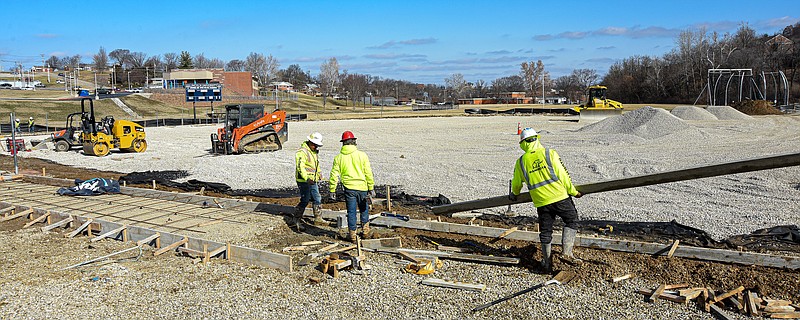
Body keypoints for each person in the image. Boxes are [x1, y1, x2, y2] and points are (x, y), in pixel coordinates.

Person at [510, 127, 583, 272]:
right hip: (560, 197)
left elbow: (517, 183)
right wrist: (573, 191)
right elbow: (563, 174)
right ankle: (567, 253)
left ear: (523, 143)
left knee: (545, 231)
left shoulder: (521, 162)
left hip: (542, 202)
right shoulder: (549, 154)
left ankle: (547, 263)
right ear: (537, 139)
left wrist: (514, 194)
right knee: (572, 220)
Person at [328, 130, 375, 242]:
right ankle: (366, 231)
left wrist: (332, 189)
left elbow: (334, 174)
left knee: (351, 211)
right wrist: (371, 187)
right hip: (362, 187)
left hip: (349, 189)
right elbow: (368, 172)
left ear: (343, 143)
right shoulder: (362, 155)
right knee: (364, 209)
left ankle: (353, 235)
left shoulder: (339, 158)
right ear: (354, 142)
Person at [293, 132, 324, 231]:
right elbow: (300, 167)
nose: (315, 146)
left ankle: (318, 218)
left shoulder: (313, 152)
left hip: (312, 180)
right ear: (310, 142)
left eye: (317, 145)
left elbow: (315, 165)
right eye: (314, 144)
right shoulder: (302, 152)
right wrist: (306, 178)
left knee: (317, 198)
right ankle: (296, 219)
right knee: (305, 199)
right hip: (303, 180)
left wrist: (318, 173)